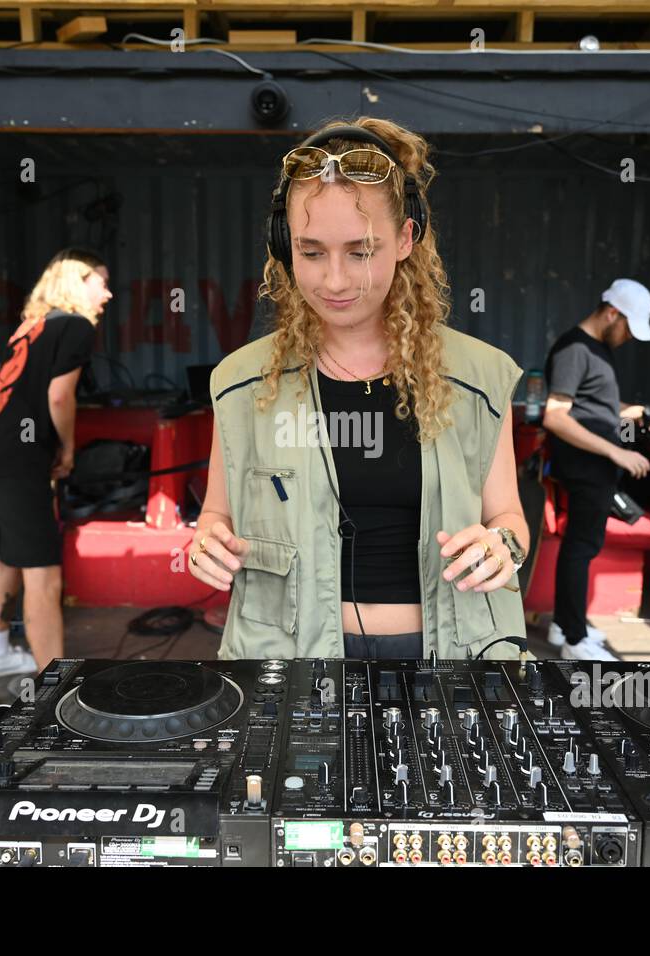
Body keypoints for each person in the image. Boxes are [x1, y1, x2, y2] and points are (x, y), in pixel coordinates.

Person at [186, 118, 530, 661]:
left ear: (404, 240)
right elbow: (215, 517)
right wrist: (206, 543)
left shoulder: (479, 378)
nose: (336, 280)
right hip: (292, 659)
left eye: (361, 251)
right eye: (312, 252)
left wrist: (501, 547)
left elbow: (509, 518)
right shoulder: (241, 384)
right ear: (285, 246)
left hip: (452, 659)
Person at [0, 248, 111, 677]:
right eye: (100, 282)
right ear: (76, 282)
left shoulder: (31, 326)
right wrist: (66, 449)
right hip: (16, 458)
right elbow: (59, 396)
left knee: (12, 556)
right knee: (43, 573)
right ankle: (55, 679)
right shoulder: (77, 325)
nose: (109, 293)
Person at [543, 280, 650, 661]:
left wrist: (644, 413)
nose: (630, 337)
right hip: (584, 465)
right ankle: (574, 640)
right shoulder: (574, 349)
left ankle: (565, 624)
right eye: (629, 327)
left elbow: (596, 406)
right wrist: (616, 452)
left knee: (585, 544)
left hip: (596, 465)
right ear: (612, 312)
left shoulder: (597, 349)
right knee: (581, 547)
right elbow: (555, 417)